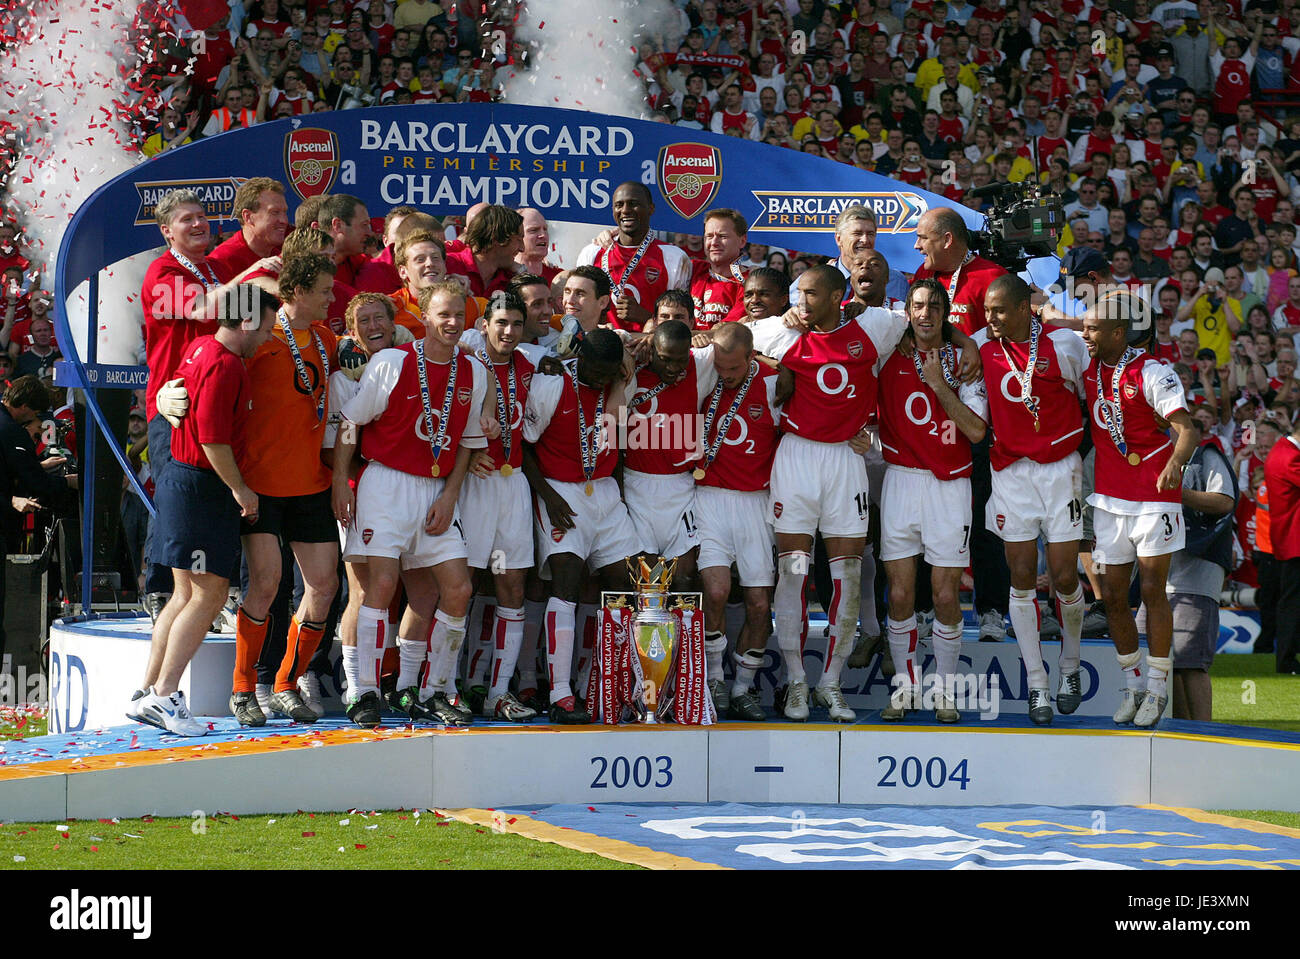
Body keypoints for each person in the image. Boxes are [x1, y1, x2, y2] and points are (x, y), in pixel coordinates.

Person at [738, 264, 976, 723]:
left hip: (847, 462)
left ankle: (831, 682)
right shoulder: (779, 331)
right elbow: (726, 338)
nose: (801, 303)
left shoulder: (875, 326)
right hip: (796, 458)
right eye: (798, 295)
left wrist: (966, 343)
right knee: (793, 575)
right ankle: (797, 682)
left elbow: (928, 321)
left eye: (810, 294)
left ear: (837, 297)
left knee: (847, 578)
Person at [331, 280, 490, 726]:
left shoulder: (474, 371)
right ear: (424, 316)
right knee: (380, 586)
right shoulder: (392, 362)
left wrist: (451, 494)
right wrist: (341, 482)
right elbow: (351, 421)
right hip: (385, 483)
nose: (452, 322)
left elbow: (468, 442)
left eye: (458, 314)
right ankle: (363, 690)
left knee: (456, 589)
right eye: (443, 314)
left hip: (436, 489)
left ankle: (425, 690)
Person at [130, 286, 275, 736]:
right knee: (208, 596)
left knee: (184, 595)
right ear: (247, 322)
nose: (267, 338)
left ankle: (148, 691)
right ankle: (164, 695)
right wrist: (241, 490)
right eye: (266, 328)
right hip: (200, 488)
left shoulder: (200, 347)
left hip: (184, 482)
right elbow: (213, 439)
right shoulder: (224, 363)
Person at [139, 188, 277, 623]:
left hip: (222, 397)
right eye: (187, 219)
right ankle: (161, 588)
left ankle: (217, 587)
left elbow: (255, 305)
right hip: (175, 403)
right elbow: (201, 309)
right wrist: (251, 272)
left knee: (219, 494)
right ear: (167, 231)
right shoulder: (161, 272)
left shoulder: (216, 268)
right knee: (174, 496)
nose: (199, 224)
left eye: (202, 216)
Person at [974, 275, 1091, 724]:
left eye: (999, 310)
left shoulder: (1065, 345)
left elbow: (1091, 395)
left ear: (1025, 309)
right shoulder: (981, 347)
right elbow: (954, 341)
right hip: (1010, 473)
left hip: (1061, 469)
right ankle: (1038, 684)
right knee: (1021, 575)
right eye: (987, 310)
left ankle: (1070, 665)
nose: (991, 318)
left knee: (1063, 575)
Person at [232, 252, 341, 724]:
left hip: (310, 483)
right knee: (265, 584)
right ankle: (242, 689)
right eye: (324, 291)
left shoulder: (326, 338)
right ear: (296, 291)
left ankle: (285, 683)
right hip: (261, 484)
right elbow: (216, 369)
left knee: (324, 587)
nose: (332, 298)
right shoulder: (261, 336)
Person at [1082, 290, 1199, 727]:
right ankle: (1132, 685)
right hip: (1110, 498)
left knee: (1152, 590)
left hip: (1154, 495)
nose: (1086, 336)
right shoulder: (1088, 367)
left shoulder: (1152, 371)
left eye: (1093, 330)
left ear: (1118, 333)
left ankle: (1157, 688)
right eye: (1085, 328)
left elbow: (1187, 430)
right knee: (1112, 596)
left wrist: (1175, 463)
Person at [877, 279, 989, 722]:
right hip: (901, 480)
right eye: (918, 306)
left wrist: (941, 386)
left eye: (934, 307)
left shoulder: (964, 362)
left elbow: (977, 431)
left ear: (945, 315)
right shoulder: (889, 349)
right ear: (908, 312)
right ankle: (904, 690)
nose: (925, 314)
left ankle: (943, 691)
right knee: (900, 593)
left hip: (950, 485)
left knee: (944, 594)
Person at [521, 328, 638, 723]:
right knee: (566, 581)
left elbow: (618, 445)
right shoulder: (551, 384)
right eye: (597, 372)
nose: (602, 380)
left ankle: (594, 684)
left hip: (604, 492)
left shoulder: (617, 385)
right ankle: (560, 695)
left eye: (610, 373)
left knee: (623, 584)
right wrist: (548, 496)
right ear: (581, 359)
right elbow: (524, 445)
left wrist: (619, 497)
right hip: (560, 490)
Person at [913, 206, 1012, 643]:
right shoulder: (925, 275)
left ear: (947, 239)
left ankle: (991, 611)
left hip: (977, 415)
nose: (918, 245)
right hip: (929, 415)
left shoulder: (991, 275)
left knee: (984, 516)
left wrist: (974, 345)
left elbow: (1010, 333)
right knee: (923, 518)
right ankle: (919, 609)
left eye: (924, 237)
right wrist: (964, 340)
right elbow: (921, 324)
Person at [456, 292, 543, 721]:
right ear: (485, 325)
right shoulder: (465, 362)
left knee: (511, 586)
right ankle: (447, 686)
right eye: (501, 323)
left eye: (516, 324)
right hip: (475, 487)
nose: (508, 332)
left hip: (514, 488)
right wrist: (467, 454)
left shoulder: (533, 366)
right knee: (462, 585)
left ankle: (497, 691)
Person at [693, 321, 780, 720]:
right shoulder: (703, 370)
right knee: (714, 592)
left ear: (752, 357)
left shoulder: (774, 383)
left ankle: (743, 687)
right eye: (721, 367)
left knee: (759, 603)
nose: (725, 375)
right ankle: (715, 679)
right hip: (708, 497)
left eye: (734, 368)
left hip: (755, 503)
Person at [0, 375, 77, 666]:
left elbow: (12, 472)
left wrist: (37, 467)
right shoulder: (10, 431)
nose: (35, 422)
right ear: (24, 406)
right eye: (34, 414)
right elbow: (35, 485)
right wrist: (68, 483)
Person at [1166, 411, 1237, 720]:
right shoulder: (1154, 461)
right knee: (1166, 662)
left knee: (1190, 661)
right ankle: (1182, 733)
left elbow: (1225, 500)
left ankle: (1202, 734)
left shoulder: (1207, 456)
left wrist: (1177, 493)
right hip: (1159, 577)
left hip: (1197, 572)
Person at [576, 181, 691, 331]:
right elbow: (580, 308)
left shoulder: (674, 257)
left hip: (651, 343)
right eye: (619, 205)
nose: (625, 210)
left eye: (633, 204)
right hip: (602, 343)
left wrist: (646, 317)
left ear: (651, 209)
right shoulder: (592, 253)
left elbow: (680, 324)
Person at [1264, 417, 1300, 675]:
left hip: (1290, 539)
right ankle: (1286, 659)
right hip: (1294, 540)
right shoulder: (1289, 457)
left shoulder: (1283, 452)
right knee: (1292, 602)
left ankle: (1288, 657)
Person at [206, 178, 289, 279]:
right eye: (275, 212)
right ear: (248, 217)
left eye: (285, 212)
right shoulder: (220, 262)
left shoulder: (285, 258)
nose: (284, 220)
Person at [686, 208, 750, 330]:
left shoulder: (750, 282)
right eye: (709, 236)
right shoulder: (693, 268)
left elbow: (727, 331)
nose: (714, 242)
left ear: (742, 241)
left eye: (722, 236)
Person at [444, 204, 524, 296]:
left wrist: (523, 274)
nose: (522, 248)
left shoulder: (512, 279)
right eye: (519, 239)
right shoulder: (446, 265)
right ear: (497, 238)